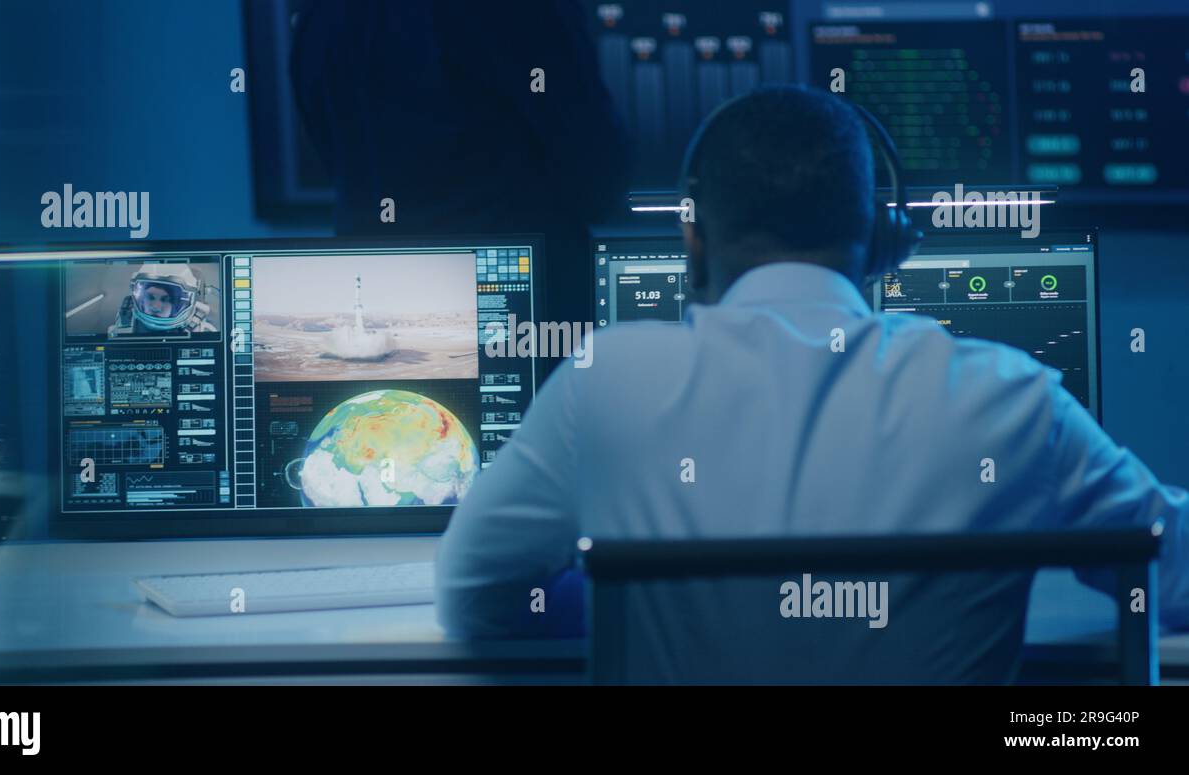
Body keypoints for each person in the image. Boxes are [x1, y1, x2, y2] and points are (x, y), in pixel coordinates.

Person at [434, 86, 1189, 682]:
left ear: (692, 239)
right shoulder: (1011, 399)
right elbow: (1176, 567)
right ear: (884, 244)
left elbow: (473, 595)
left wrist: (616, 607)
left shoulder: (602, 387)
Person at [290, 0, 630, 326]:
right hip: (526, 314)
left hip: (387, 299)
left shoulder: (319, 11)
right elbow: (598, 181)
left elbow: (334, 161)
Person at [109, 263, 216, 337]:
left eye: (166, 300)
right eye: (150, 297)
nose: (155, 306)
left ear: (180, 303)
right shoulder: (120, 330)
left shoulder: (204, 333)